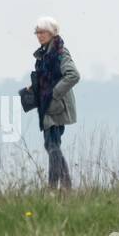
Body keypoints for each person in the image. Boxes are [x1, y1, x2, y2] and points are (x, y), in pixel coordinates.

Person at [32, 17, 80, 190]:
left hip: (56, 107)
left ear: (52, 33)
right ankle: (66, 186)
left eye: (43, 32)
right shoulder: (44, 53)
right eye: (37, 32)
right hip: (47, 106)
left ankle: (53, 187)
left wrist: (54, 93)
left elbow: (73, 75)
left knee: (52, 145)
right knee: (52, 145)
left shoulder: (60, 52)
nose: (39, 35)